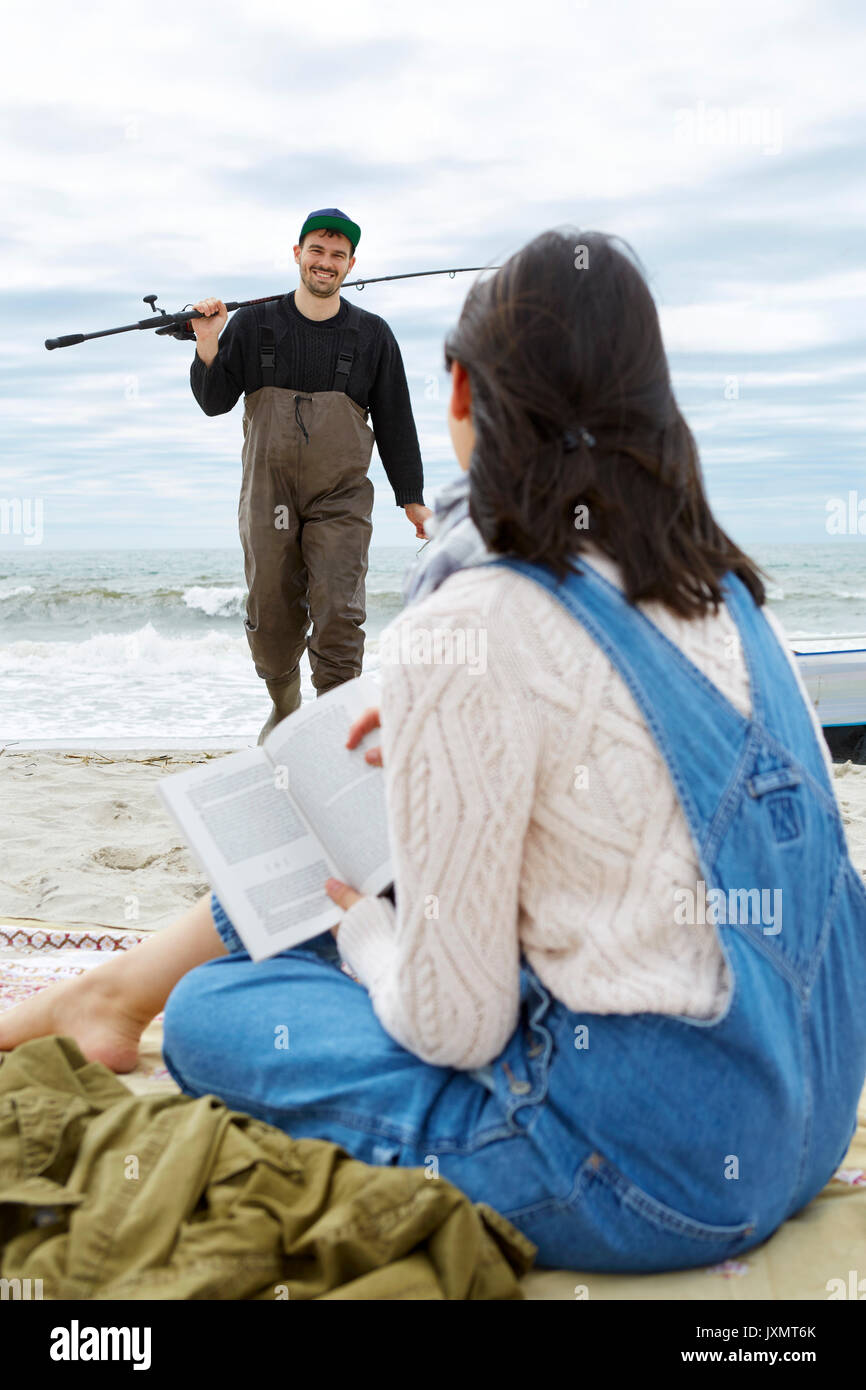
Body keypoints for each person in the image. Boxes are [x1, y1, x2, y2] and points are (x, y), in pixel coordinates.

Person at [4, 228, 866, 1274]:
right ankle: (110, 994)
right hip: (805, 1108)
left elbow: (455, 1025)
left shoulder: (485, 616)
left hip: (645, 1168)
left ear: (456, 393)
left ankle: (127, 996)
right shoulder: (728, 594)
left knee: (218, 1016)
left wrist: (365, 932)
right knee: (378, 835)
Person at [190, 207, 431, 741]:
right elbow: (214, 403)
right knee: (272, 616)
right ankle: (284, 703)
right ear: (297, 254)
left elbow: (395, 417)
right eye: (316, 251)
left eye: (337, 255)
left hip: (341, 496)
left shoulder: (373, 335)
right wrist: (209, 340)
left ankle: (335, 730)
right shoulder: (253, 324)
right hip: (267, 493)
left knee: (339, 610)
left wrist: (411, 497)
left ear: (351, 265)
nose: (326, 263)